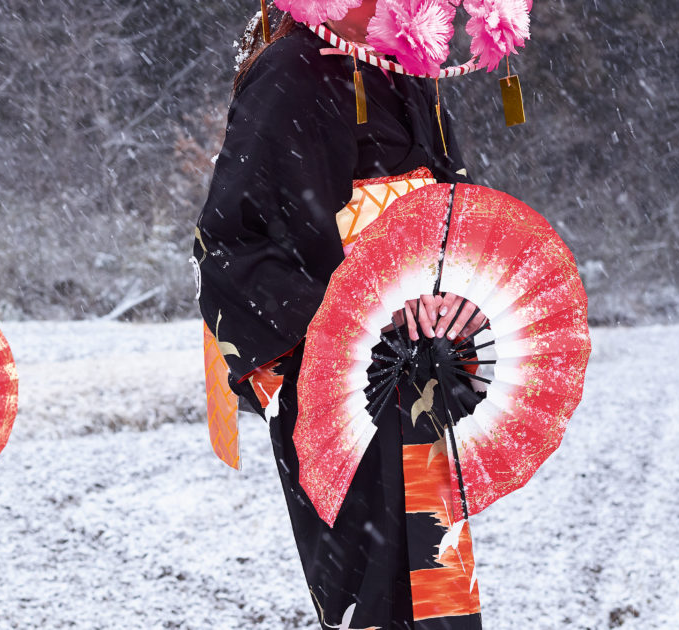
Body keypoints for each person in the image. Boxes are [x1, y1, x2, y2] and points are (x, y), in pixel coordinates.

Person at [194, 2, 492, 628]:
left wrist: (456, 299)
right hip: (344, 384)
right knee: (375, 597)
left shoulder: (404, 70)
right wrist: (355, 322)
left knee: (439, 592)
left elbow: (457, 207)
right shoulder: (291, 73)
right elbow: (231, 243)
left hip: (422, 372)